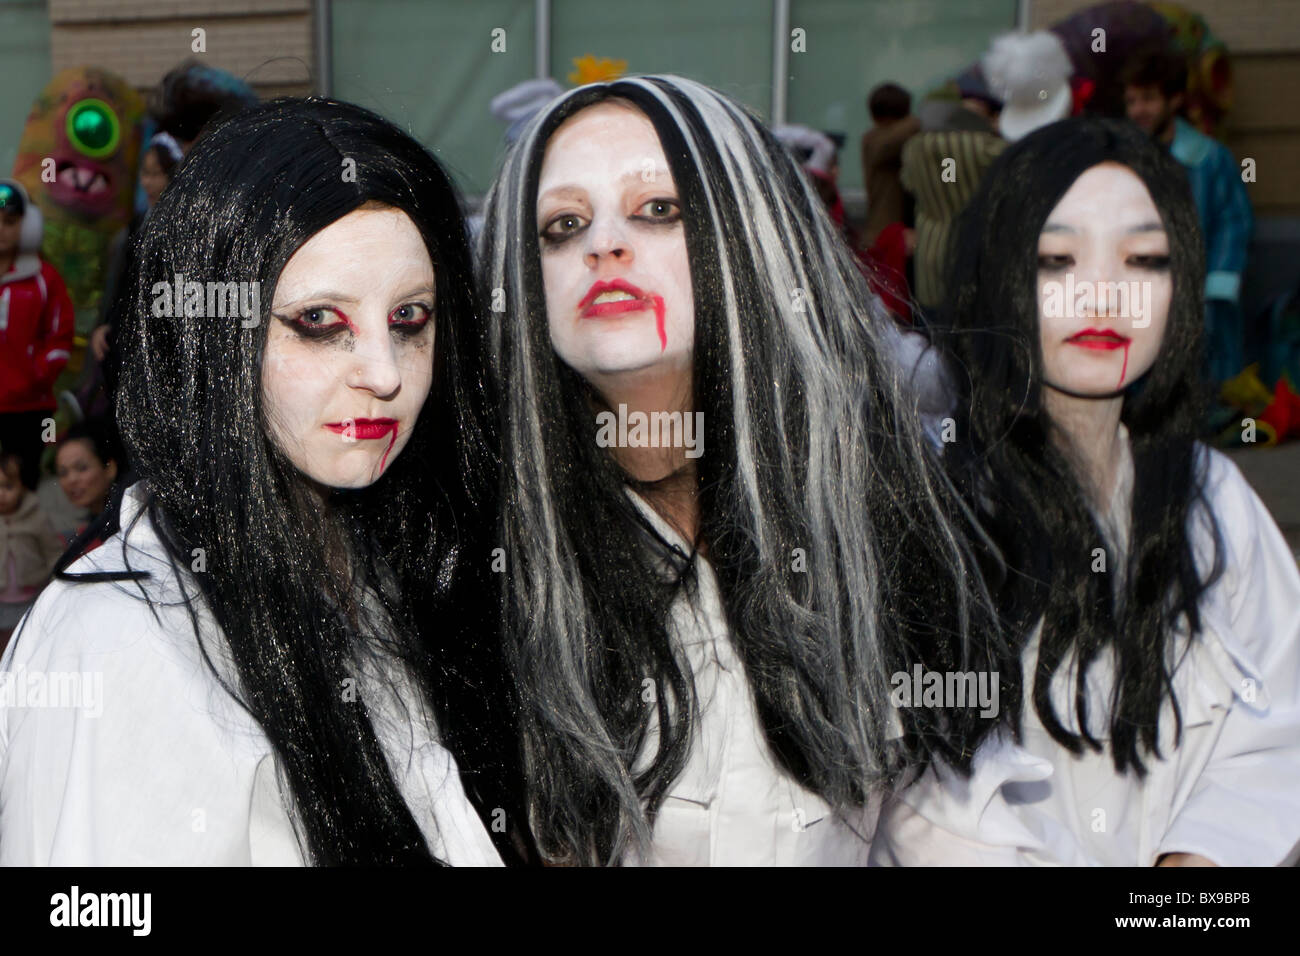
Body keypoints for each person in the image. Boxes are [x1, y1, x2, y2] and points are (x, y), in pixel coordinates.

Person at [478, 74, 1002, 866]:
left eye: (659, 209)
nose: (603, 245)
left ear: (752, 236)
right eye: (562, 224)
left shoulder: (880, 517)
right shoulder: (477, 562)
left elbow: (960, 817)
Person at [0, 98, 504, 866]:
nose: (383, 372)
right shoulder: (121, 644)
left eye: (409, 318)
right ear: (208, 338)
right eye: (318, 322)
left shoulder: (375, 563)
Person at [871, 117, 1300, 866]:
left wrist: (1198, 864)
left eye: (1143, 259)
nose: (1104, 295)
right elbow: (925, 789)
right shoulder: (929, 507)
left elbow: (1278, 716)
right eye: (1058, 259)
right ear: (1000, 276)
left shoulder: (1213, 495)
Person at [1123, 49, 1253, 386]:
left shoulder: (1209, 159)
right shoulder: (1123, 159)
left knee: (1203, 390)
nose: (1138, 110)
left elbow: (1232, 223)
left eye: (1148, 98)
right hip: (1140, 294)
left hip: (1199, 297)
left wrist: (1216, 289)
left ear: (1175, 99)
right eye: (1132, 101)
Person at [0, 180, 75, 492]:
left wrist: (35, 375)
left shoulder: (45, 279)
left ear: (28, 225)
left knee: (23, 486)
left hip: (29, 408)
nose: (1, 229)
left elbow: (60, 339)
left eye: (10, 222)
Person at [0, 451, 63, 650]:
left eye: (8, 486)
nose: (1, 494)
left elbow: (52, 551)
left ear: (22, 486)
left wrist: (58, 579)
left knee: (30, 641)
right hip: (2, 600)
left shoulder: (36, 516)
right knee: (5, 644)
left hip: (32, 594)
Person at [859, 82, 919, 250]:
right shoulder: (875, 140)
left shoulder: (883, 138)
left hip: (893, 230)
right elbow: (888, 144)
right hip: (885, 233)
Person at [53, 419, 120, 543]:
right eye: (63, 473)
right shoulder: (89, 531)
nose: (71, 480)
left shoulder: (127, 524)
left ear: (110, 468)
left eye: (82, 468)